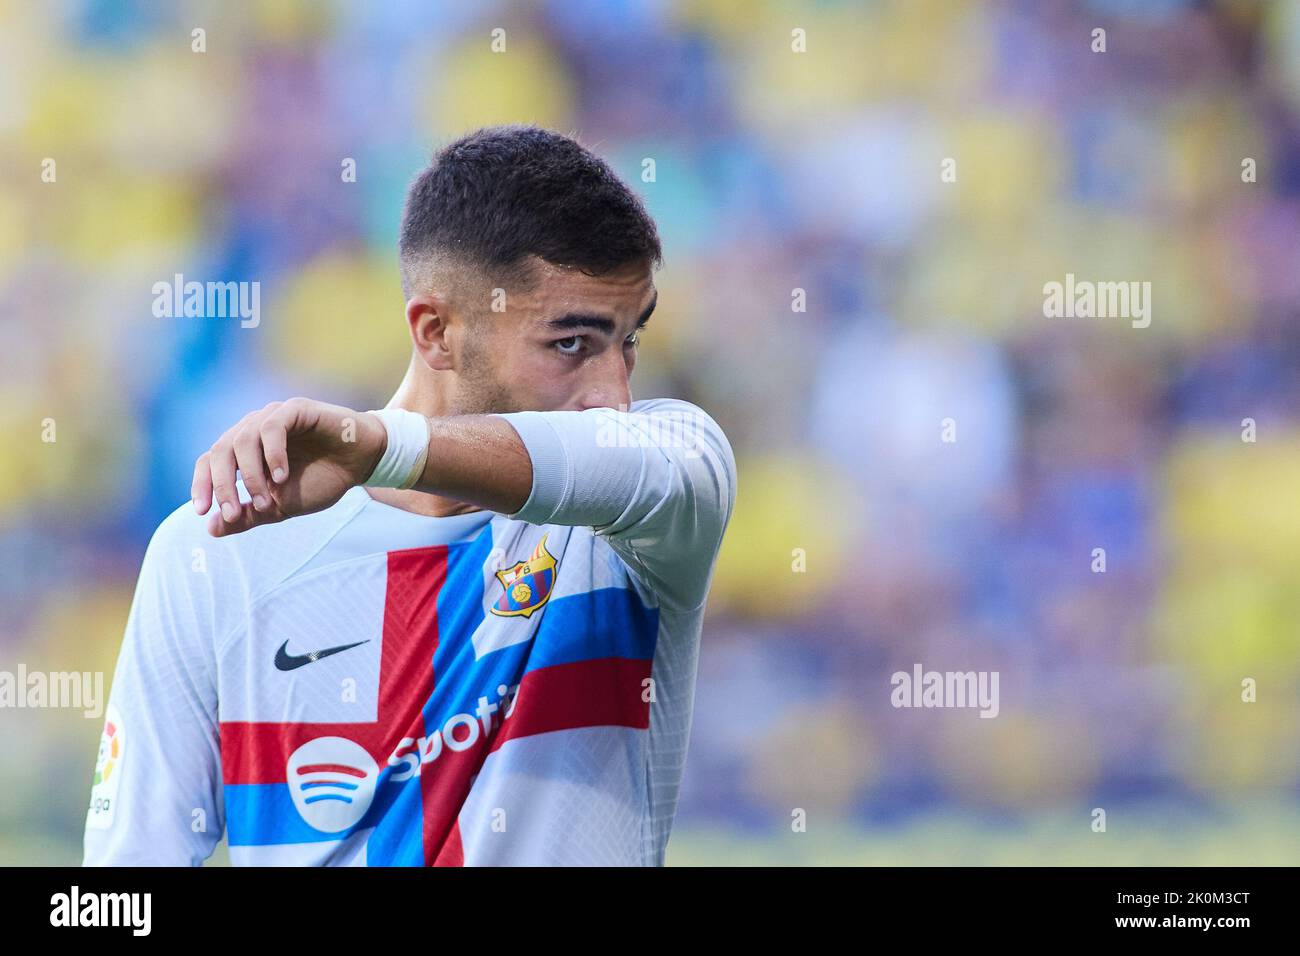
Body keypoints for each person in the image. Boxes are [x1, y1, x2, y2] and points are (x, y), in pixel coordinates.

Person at [83, 125, 736, 866]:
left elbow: (626, 464)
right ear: (435, 332)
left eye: (629, 340)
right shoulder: (216, 549)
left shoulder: (660, 494)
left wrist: (378, 449)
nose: (613, 395)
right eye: (571, 344)